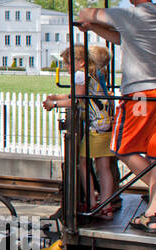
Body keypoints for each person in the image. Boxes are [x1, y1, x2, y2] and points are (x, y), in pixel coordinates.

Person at [76, 0, 156, 233]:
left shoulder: (130, 14)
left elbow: (87, 12)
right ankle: (154, 212)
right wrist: (97, 28)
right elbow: (123, 39)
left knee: (121, 148)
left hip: (141, 94)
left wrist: (89, 19)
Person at [43, 44, 117, 218]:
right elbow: (76, 95)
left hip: (97, 125)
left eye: (68, 64)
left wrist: (53, 104)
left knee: (82, 163)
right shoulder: (95, 72)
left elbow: (76, 99)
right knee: (103, 166)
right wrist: (57, 97)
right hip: (106, 121)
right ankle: (106, 206)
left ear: (81, 62)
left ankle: (92, 202)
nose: (66, 68)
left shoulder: (80, 75)